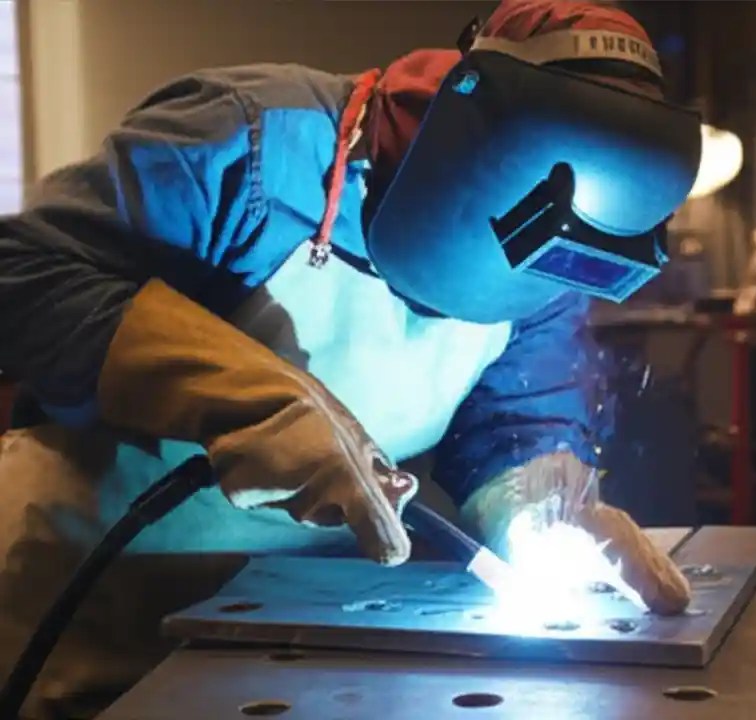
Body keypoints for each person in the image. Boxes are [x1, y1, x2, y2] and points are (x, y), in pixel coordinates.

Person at [0, 0, 702, 716]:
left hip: (301, 624)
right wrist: (231, 392)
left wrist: (547, 511)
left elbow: (514, 419)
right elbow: (22, 272)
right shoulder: (250, 143)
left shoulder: (559, 247)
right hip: (93, 587)